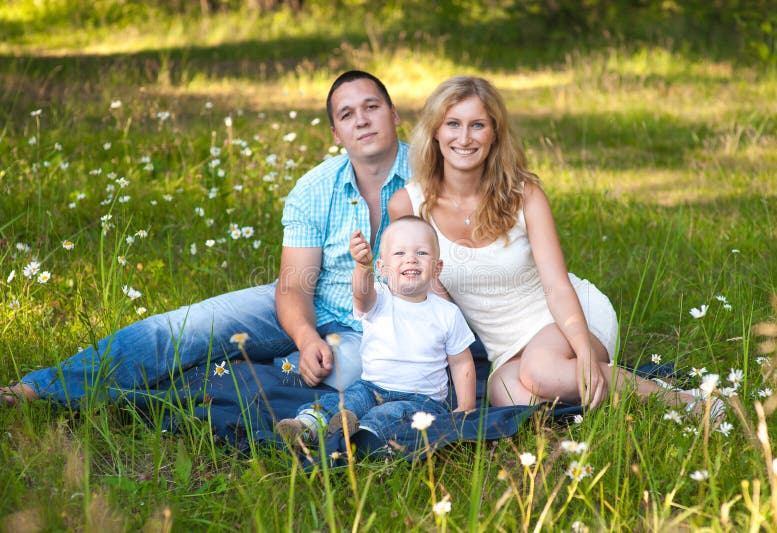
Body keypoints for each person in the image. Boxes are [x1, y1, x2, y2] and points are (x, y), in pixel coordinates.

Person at [0, 70, 409, 407]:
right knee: (186, 327)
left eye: (371, 107)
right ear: (336, 133)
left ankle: (179, 391)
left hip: (382, 326)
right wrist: (305, 337)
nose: (361, 120)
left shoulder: (430, 176)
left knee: (346, 373)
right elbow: (293, 285)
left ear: (393, 114)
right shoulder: (314, 188)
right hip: (309, 306)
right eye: (347, 114)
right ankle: (42, 389)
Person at [388, 76, 722, 417]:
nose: (464, 138)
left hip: (563, 317)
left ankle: (686, 403)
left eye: (477, 125)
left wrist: (586, 355)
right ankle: (608, 387)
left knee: (542, 372)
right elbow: (434, 303)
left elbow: (557, 286)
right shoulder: (409, 205)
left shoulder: (524, 195)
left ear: (495, 134)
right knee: (515, 399)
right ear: (435, 131)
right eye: (453, 124)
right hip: (504, 347)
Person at [274, 217, 476, 443]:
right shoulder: (379, 297)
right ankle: (307, 424)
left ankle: (362, 435)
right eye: (399, 253)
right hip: (371, 388)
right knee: (346, 401)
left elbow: (462, 363)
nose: (411, 258)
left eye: (421, 253)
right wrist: (363, 267)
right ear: (381, 268)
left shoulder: (447, 313)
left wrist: (466, 405)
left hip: (422, 400)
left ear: (437, 268)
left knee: (391, 415)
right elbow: (361, 295)